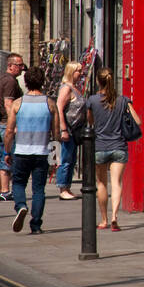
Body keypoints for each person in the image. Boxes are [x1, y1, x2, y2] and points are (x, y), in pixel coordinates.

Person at [86, 67, 142, 232]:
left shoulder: (92, 100)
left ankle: (103, 219)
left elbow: (90, 123)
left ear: (98, 81)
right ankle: (114, 218)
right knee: (116, 183)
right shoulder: (123, 100)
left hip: (100, 146)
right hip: (119, 146)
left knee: (101, 183)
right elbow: (137, 121)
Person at [4, 65, 57, 235]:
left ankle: (21, 206)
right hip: (42, 153)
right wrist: (55, 159)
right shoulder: (50, 104)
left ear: (26, 82)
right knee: (39, 189)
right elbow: (56, 133)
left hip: (21, 152)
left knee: (18, 183)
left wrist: (7, 151)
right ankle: (36, 225)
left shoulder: (18, 104)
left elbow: (9, 131)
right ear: (43, 82)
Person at [0, 53, 25, 201]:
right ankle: (5, 190)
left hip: (0, 123)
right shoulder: (11, 82)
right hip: (6, 124)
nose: (22, 68)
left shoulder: (2, 79)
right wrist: (13, 125)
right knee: (7, 157)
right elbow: (8, 104)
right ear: (10, 65)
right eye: (19, 65)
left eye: (22, 65)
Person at [54, 61, 85, 200]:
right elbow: (59, 108)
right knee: (65, 159)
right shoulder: (66, 88)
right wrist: (63, 129)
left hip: (76, 129)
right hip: (68, 129)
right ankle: (62, 188)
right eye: (79, 70)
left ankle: (67, 187)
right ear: (71, 72)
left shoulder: (75, 88)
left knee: (72, 159)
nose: (81, 73)